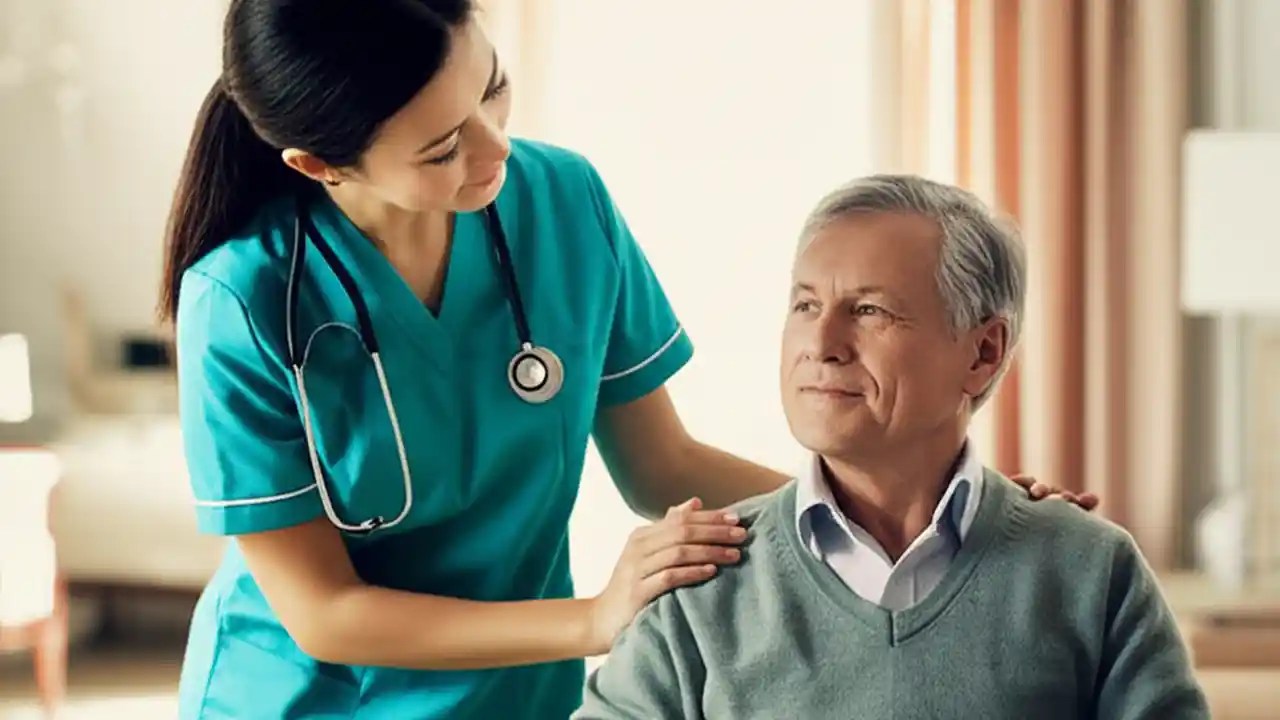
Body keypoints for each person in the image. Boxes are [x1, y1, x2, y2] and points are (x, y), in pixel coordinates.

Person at [159, 2, 1088, 717]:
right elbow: (323, 612)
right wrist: (595, 618)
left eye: (491, 89)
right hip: (307, 699)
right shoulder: (241, 298)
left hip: (520, 695)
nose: (495, 152)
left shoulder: (562, 198)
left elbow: (664, 467)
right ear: (321, 167)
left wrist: (933, 518)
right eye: (444, 148)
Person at [574, 175, 1209, 720]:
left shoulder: (1090, 570)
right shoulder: (698, 580)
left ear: (983, 353)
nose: (821, 342)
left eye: (870, 311)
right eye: (805, 304)